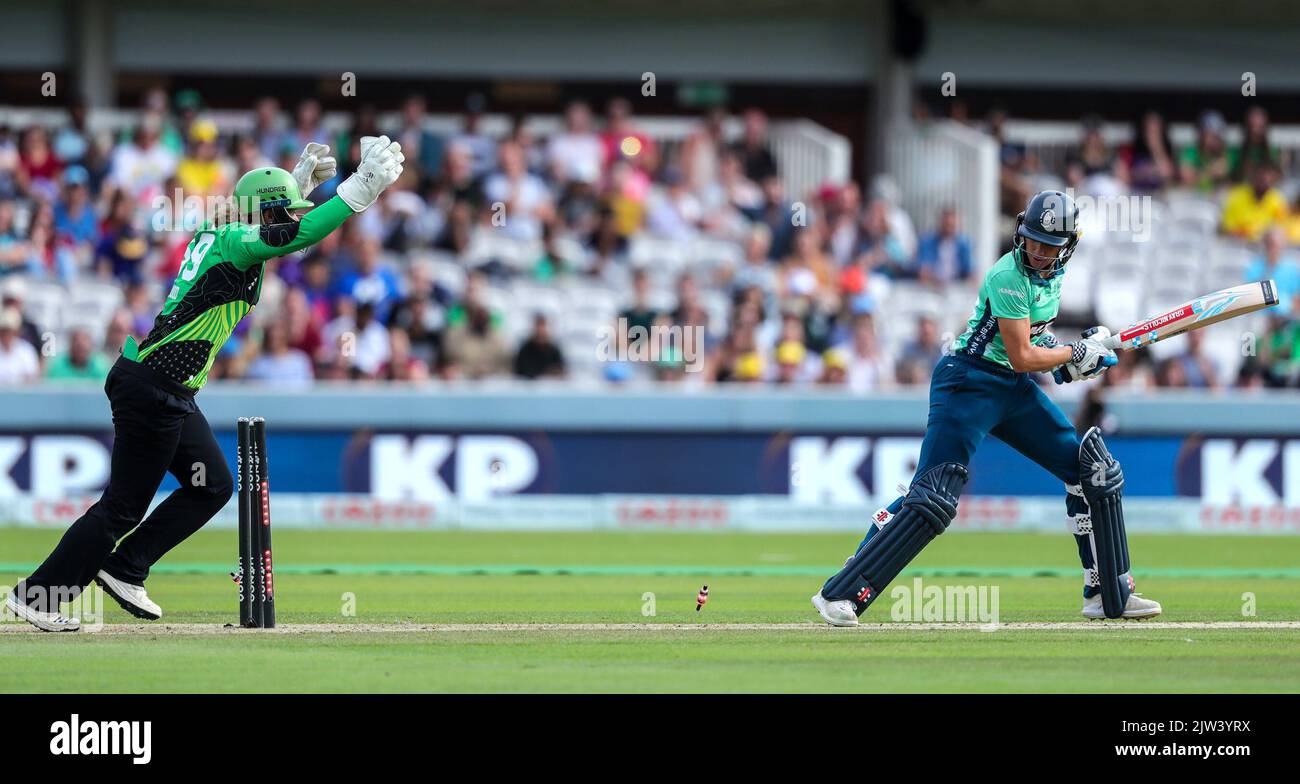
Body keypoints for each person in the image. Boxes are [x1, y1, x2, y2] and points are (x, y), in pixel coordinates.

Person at [6, 137, 404, 631]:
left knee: (212, 485)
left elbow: (266, 225)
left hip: (166, 387)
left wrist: (295, 183)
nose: (292, 216)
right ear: (267, 212)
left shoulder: (223, 233)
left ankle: (126, 567)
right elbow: (292, 236)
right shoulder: (239, 242)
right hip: (156, 387)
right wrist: (356, 193)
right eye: (287, 208)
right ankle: (40, 596)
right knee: (122, 508)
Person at [812, 191, 1162, 626]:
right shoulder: (1008, 276)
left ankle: (1108, 593)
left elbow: (1037, 349)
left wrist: (1079, 358)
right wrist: (1075, 351)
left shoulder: (1053, 278)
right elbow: (1021, 355)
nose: (1037, 251)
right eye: (1032, 240)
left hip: (1012, 388)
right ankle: (841, 591)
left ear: (1068, 246)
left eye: (1048, 245)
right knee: (932, 498)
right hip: (969, 383)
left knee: (1092, 472)